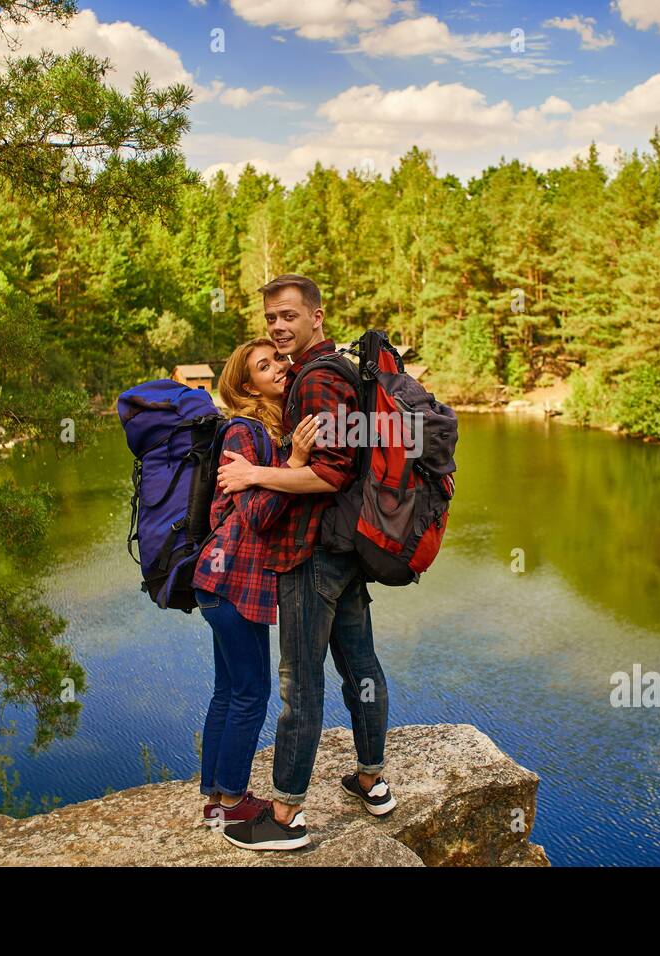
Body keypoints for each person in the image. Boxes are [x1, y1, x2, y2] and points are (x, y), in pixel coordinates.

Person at [216, 275, 394, 853]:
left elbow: (331, 472)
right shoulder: (338, 369)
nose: (278, 327)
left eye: (289, 316)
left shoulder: (317, 378)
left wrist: (255, 473)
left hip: (312, 552)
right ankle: (371, 780)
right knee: (360, 665)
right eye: (271, 318)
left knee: (301, 683)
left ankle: (286, 814)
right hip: (348, 547)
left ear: (317, 316)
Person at [192, 336, 317, 847]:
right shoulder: (243, 431)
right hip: (230, 581)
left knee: (227, 691)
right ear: (245, 386)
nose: (279, 368)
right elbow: (260, 516)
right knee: (251, 694)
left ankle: (216, 799)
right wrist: (296, 460)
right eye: (264, 366)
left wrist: (285, 455)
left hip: (223, 584)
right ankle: (235, 801)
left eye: (278, 360)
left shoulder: (267, 430)